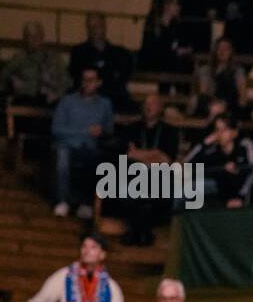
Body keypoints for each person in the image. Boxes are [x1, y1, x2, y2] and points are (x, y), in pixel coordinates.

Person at [50, 67, 114, 219]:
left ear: (98, 83)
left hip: (92, 147)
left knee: (99, 161)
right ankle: (63, 200)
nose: (87, 84)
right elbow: (56, 129)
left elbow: (109, 130)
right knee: (62, 159)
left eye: (91, 80)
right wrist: (84, 132)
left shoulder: (105, 104)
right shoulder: (67, 101)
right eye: (85, 80)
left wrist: (101, 132)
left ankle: (86, 203)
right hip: (67, 145)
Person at [120, 93, 180, 245]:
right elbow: (128, 155)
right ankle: (141, 233)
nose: (148, 107)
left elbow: (166, 159)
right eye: (146, 103)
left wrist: (141, 155)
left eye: (153, 103)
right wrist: (154, 155)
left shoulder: (170, 131)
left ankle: (139, 233)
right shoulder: (132, 128)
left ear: (161, 108)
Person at [68, 12, 135, 111]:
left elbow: (122, 78)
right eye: (90, 27)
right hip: (86, 99)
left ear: (104, 27)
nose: (93, 31)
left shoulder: (119, 53)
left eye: (96, 26)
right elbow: (77, 76)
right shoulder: (78, 52)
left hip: (113, 99)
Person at [192, 114, 253, 208]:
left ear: (234, 132)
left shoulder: (245, 145)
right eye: (216, 130)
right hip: (218, 195)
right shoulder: (212, 149)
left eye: (223, 130)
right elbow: (188, 163)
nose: (219, 134)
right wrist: (204, 143)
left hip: (242, 195)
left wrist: (241, 197)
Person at [0, 21, 70, 106]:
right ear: (25, 39)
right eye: (30, 36)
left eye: (37, 36)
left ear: (42, 37)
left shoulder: (54, 58)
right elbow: (4, 75)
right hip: (26, 98)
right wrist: (12, 79)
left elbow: (66, 80)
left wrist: (58, 93)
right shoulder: (19, 58)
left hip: (49, 100)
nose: (34, 39)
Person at [137, 0, 192, 83]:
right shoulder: (153, 25)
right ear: (166, 7)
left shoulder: (175, 25)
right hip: (155, 62)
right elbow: (156, 49)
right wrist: (177, 51)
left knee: (186, 65)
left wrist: (185, 49)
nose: (178, 7)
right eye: (174, 5)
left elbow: (182, 42)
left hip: (169, 61)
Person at [194, 36, 247, 116]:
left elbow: (242, 94)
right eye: (219, 48)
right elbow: (204, 92)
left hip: (230, 104)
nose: (222, 51)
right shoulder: (205, 70)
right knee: (204, 102)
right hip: (210, 102)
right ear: (215, 51)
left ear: (231, 51)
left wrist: (227, 104)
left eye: (226, 48)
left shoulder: (237, 70)